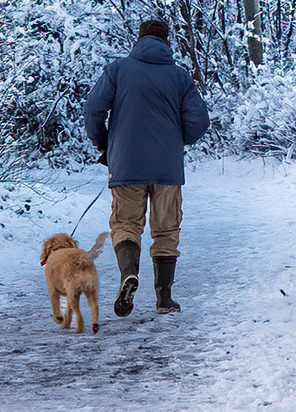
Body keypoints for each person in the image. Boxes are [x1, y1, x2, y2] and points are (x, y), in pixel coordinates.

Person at [83, 19, 210, 316]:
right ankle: (164, 299)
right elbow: (199, 121)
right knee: (166, 230)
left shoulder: (117, 70)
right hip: (167, 167)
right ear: (167, 42)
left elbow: (93, 109)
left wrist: (104, 143)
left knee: (126, 224)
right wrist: (179, 140)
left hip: (126, 164)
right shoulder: (179, 77)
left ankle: (129, 273)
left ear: (138, 40)